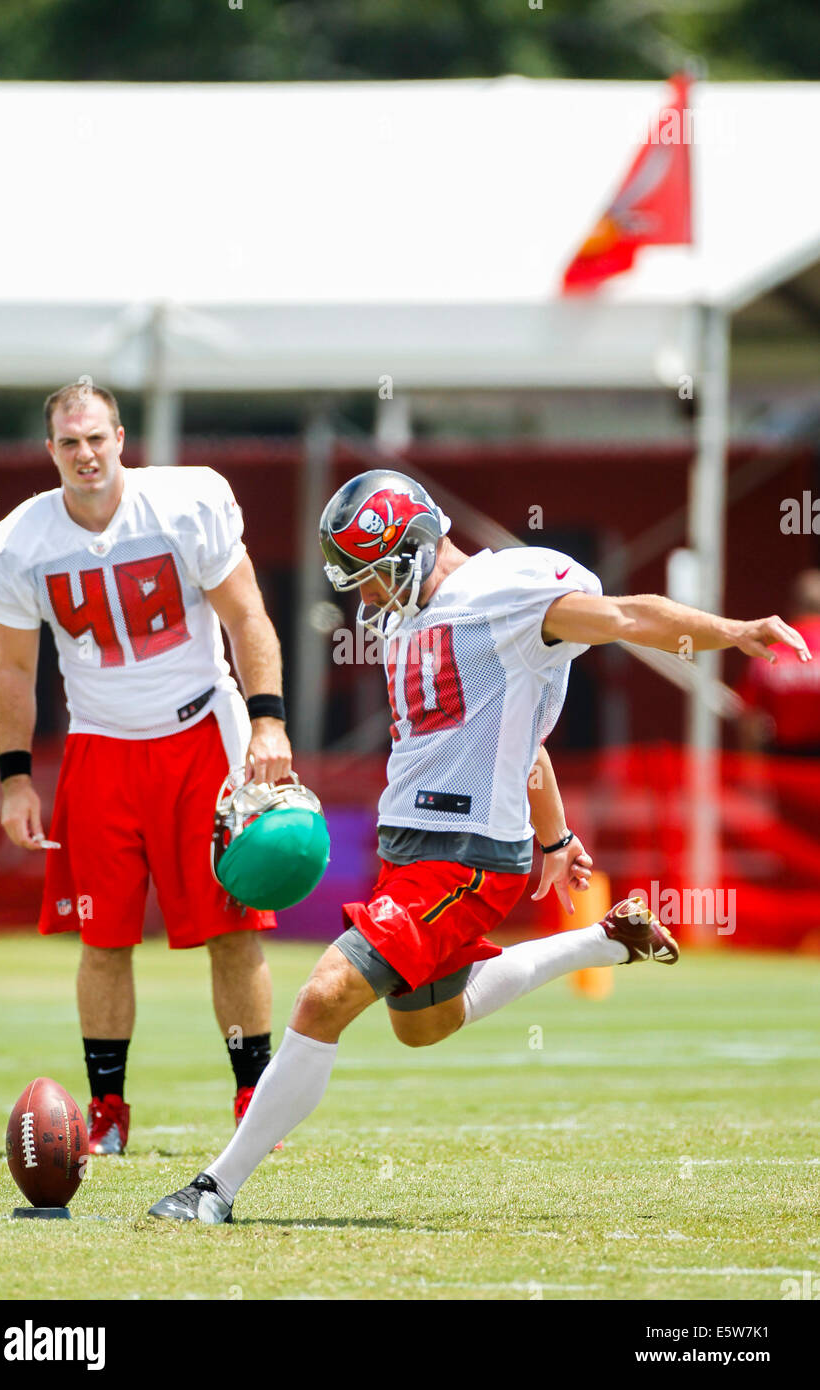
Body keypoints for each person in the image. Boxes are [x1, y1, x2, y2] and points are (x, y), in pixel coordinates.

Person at [149, 468, 810, 1223]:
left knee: (324, 996)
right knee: (423, 1025)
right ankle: (604, 942)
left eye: (370, 578)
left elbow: (628, 616)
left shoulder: (511, 592)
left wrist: (732, 633)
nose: (364, 599)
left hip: (464, 857)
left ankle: (214, 1191)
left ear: (413, 550)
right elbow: (524, 742)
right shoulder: (408, 617)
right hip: (408, 848)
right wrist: (556, 836)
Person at [0, 381, 292, 1155]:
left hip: (199, 737)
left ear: (121, 437)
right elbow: (13, 669)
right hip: (101, 744)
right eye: (68, 443)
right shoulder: (20, 542)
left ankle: (253, 1094)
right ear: (50, 450)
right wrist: (15, 775)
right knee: (103, 939)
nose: (85, 454)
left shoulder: (185, 506)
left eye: (96, 439)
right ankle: (108, 1109)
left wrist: (268, 720)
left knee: (232, 928)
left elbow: (247, 615)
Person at [737, 569, 820, 757]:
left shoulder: (770, 650)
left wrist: (751, 771)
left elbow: (749, 719)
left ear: (794, 606)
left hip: (783, 763)